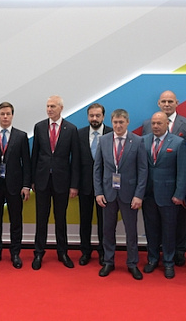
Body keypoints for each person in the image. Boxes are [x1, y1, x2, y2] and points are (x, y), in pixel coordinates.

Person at [142, 90, 186, 266]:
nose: (156, 126)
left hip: (171, 192)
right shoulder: (145, 133)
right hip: (149, 192)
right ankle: (152, 259)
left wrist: (180, 192)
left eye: (170, 101)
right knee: (151, 228)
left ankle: (171, 259)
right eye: (163, 101)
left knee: (172, 228)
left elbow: (184, 166)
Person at [94, 109, 147, 280]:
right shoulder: (103, 140)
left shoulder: (137, 141)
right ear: (112, 122)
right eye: (115, 122)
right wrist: (98, 192)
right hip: (108, 194)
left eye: (121, 122)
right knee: (108, 229)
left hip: (129, 194)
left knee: (131, 231)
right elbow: (97, 169)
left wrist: (139, 195)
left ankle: (132, 263)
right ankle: (108, 261)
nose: (118, 126)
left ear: (127, 122)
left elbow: (143, 170)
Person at [30, 95, 81, 270]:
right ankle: (38, 253)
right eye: (47, 106)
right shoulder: (39, 127)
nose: (49, 109)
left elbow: (75, 159)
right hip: (42, 180)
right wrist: (32, 180)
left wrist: (74, 185)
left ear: (61, 108)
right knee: (41, 218)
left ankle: (63, 252)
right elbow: (35, 155)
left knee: (61, 218)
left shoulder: (71, 129)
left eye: (53, 106)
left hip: (62, 181)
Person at [0, 102, 31, 269]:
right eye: (2, 114)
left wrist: (26, 185)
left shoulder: (21, 136)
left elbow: (26, 163)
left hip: (15, 185)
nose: (5, 117)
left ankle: (15, 253)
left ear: (12, 115)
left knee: (16, 220)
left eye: (8, 114)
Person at [77, 103, 112, 266]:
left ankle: (103, 252)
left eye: (98, 115)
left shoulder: (111, 133)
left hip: (105, 187)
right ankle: (85, 252)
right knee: (85, 220)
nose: (94, 118)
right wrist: (74, 185)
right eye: (91, 115)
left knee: (103, 222)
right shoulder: (79, 134)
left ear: (103, 116)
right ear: (88, 116)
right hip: (84, 185)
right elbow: (75, 162)